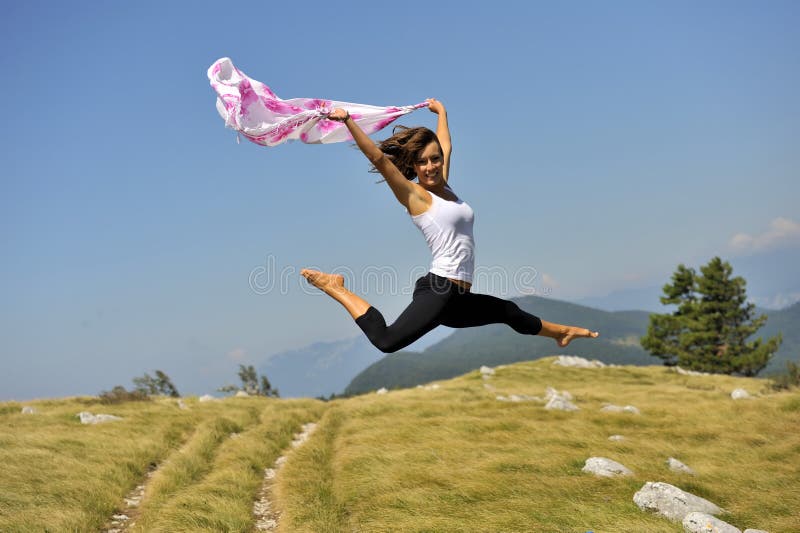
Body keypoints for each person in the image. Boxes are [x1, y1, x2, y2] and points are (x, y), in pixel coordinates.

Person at [300, 99, 599, 353]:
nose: (431, 166)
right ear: (414, 167)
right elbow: (379, 159)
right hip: (439, 291)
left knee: (509, 312)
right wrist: (349, 122)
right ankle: (335, 287)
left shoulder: (447, 189)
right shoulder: (416, 196)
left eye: (435, 160)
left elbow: (446, 144)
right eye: (423, 162)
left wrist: (442, 112)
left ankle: (561, 332)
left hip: (459, 298)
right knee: (386, 341)